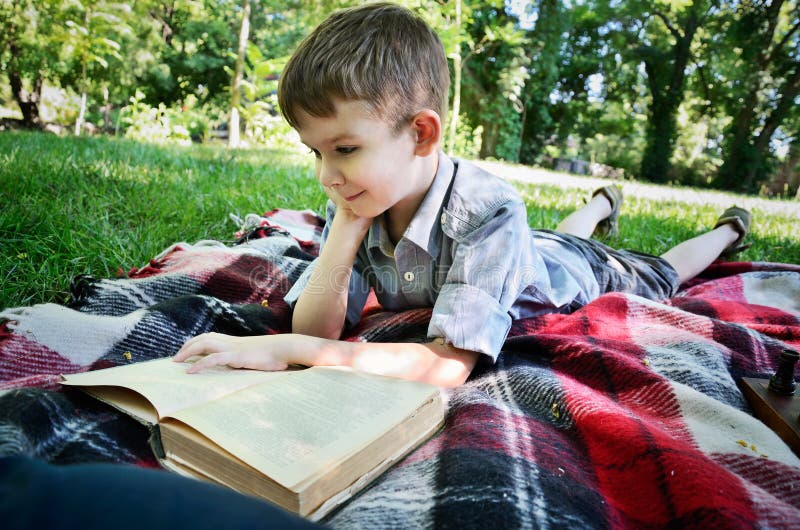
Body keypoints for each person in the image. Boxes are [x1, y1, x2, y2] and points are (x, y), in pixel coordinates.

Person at [174, 2, 751, 388]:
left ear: (421, 133)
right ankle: (601, 204)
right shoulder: (358, 201)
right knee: (552, 239)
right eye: (316, 152)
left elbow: (446, 366)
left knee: (661, 272)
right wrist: (343, 236)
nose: (327, 174)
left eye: (344, 149)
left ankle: (725, 228)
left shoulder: (490, 210)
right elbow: (319, 326)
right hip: (527, 252)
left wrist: (295, 353)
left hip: (570, 272)